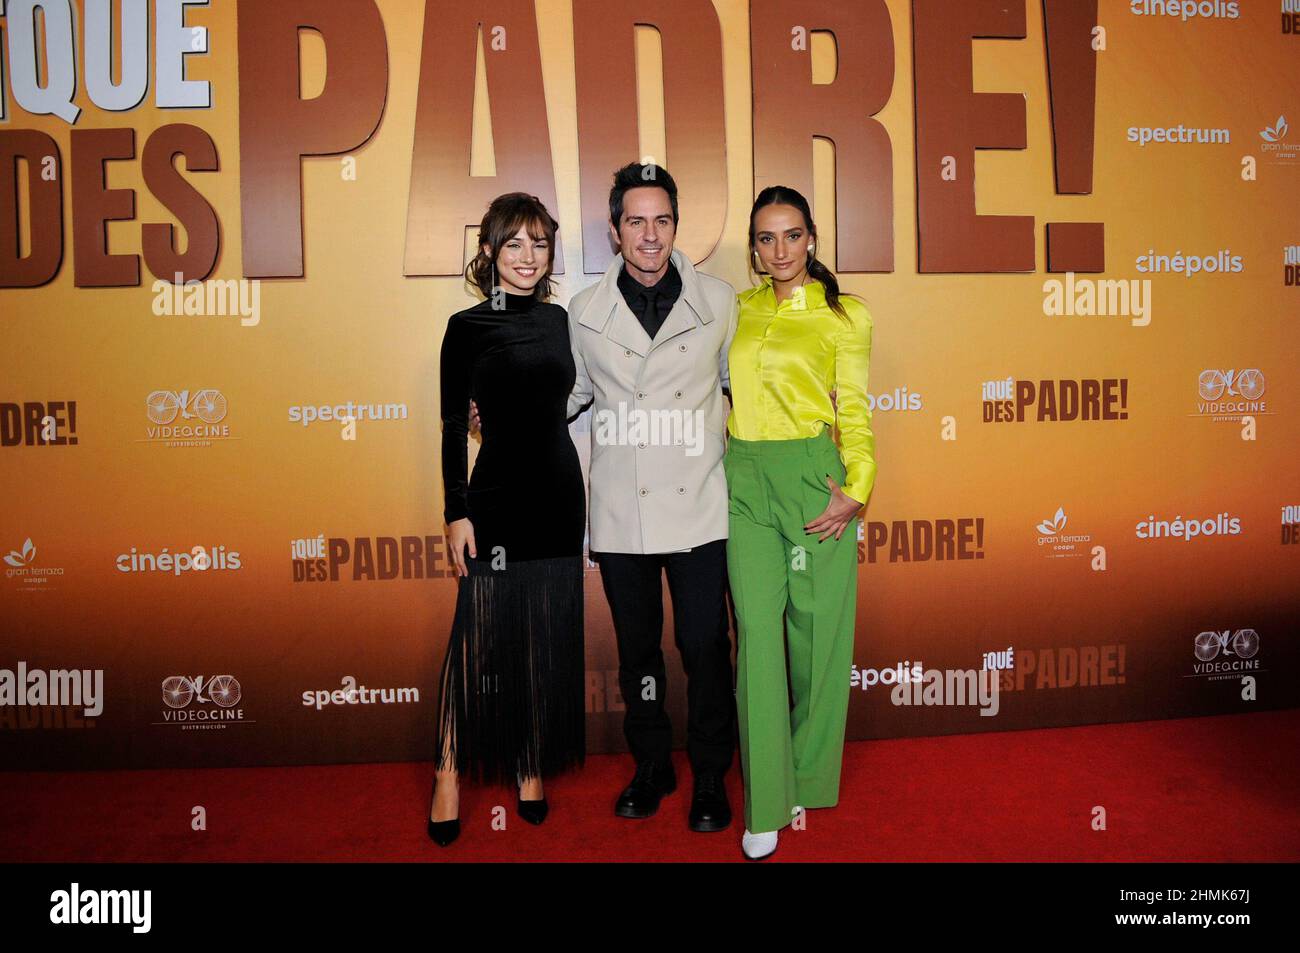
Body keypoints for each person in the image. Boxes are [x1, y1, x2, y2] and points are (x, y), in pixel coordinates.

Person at [565, 162, 739, 832]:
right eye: (635, 220)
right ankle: (651, 764)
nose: (649, 234)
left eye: (662, 220)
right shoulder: (584, 313)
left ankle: (709, 775)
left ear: (676, 227)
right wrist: (509, 408)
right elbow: (572, 394)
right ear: (614, 231)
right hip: (621, 514)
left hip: (698, 506)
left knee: (703, 647)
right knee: (639, 653)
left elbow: (745, 388)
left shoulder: (720, 301)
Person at [427, 193, 586, 847]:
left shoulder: (558, 320)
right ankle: (448, 771)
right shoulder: (465, 327)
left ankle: (527, 760)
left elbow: (567, 399)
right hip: (495, 499)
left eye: (539, 243)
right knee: (478, 640)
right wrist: (455, 511)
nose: (527, 256)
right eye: (513, 243)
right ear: (489, 251)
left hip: (557, 494)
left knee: (538, 639)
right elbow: (448, 426)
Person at [725, 186, 877, 860]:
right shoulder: (737, 309)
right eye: (765, 238)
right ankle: (765, 796)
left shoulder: (846, 316)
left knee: (818, 637)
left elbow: (858, 410)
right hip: (745, 479)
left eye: (790, 235)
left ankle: (809, 779)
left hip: (816, 477)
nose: (778, 250)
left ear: (811, 237)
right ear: (754, 248)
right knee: (758, 632)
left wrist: (858, 487)